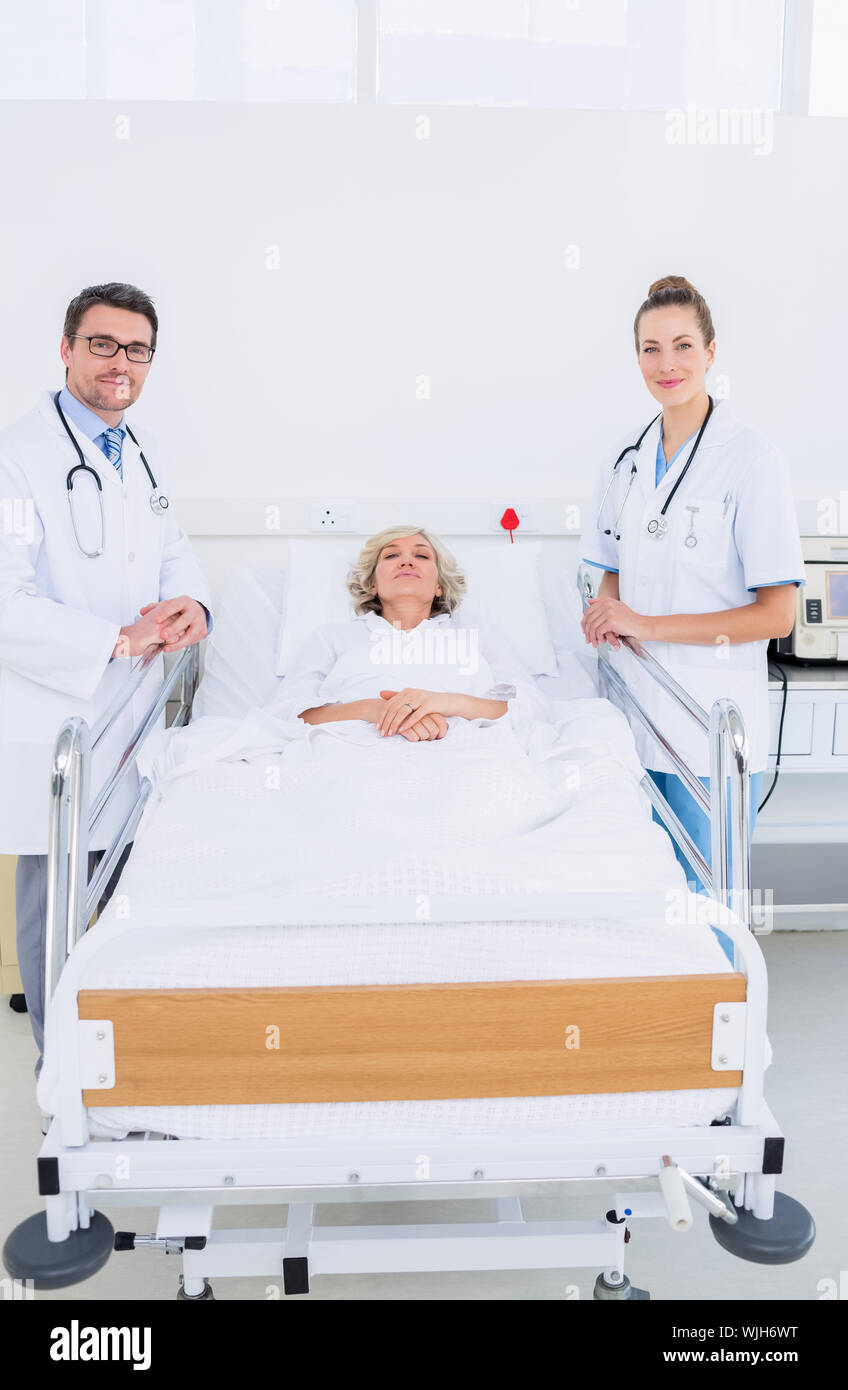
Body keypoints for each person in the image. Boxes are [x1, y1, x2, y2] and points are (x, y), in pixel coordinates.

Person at [0, 282, 213, 1070]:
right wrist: (113, 640)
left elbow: (173, 547)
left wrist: (193, 603)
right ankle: (63, 1069)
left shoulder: (135, 449)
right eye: (101, 344)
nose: (119, 363)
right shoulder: (19, 459)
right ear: (66, 349)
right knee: (54, 902)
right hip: (58, 711)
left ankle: (123, 1057)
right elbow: (4, 602)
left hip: (130, 714)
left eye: (136, 349)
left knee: (121, 896)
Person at [579, 275, 803, 951]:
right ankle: (667, 1046)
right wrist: (606, 607)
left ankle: (727, 1048)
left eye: (681, 345)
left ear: (711, 351)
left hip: (711, 724)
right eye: (651, 349)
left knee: (713, 905)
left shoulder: (751, 461)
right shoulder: (624, 459)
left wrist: (644, 626)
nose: (666, 364)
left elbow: (778, 616)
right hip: (637, 721)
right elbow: (609, 563)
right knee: (653, 904)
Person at [271, 525, 548, 735]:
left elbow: (531, 709)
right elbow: (286, 714)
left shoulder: (478, 634)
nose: (407, 562)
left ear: (439, 585)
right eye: (391, 555)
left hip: (467, 753)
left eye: (421, 555)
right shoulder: (333, 637)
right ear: (372, 584)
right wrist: (376, 710)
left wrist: (441, 703)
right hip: (353, 753)